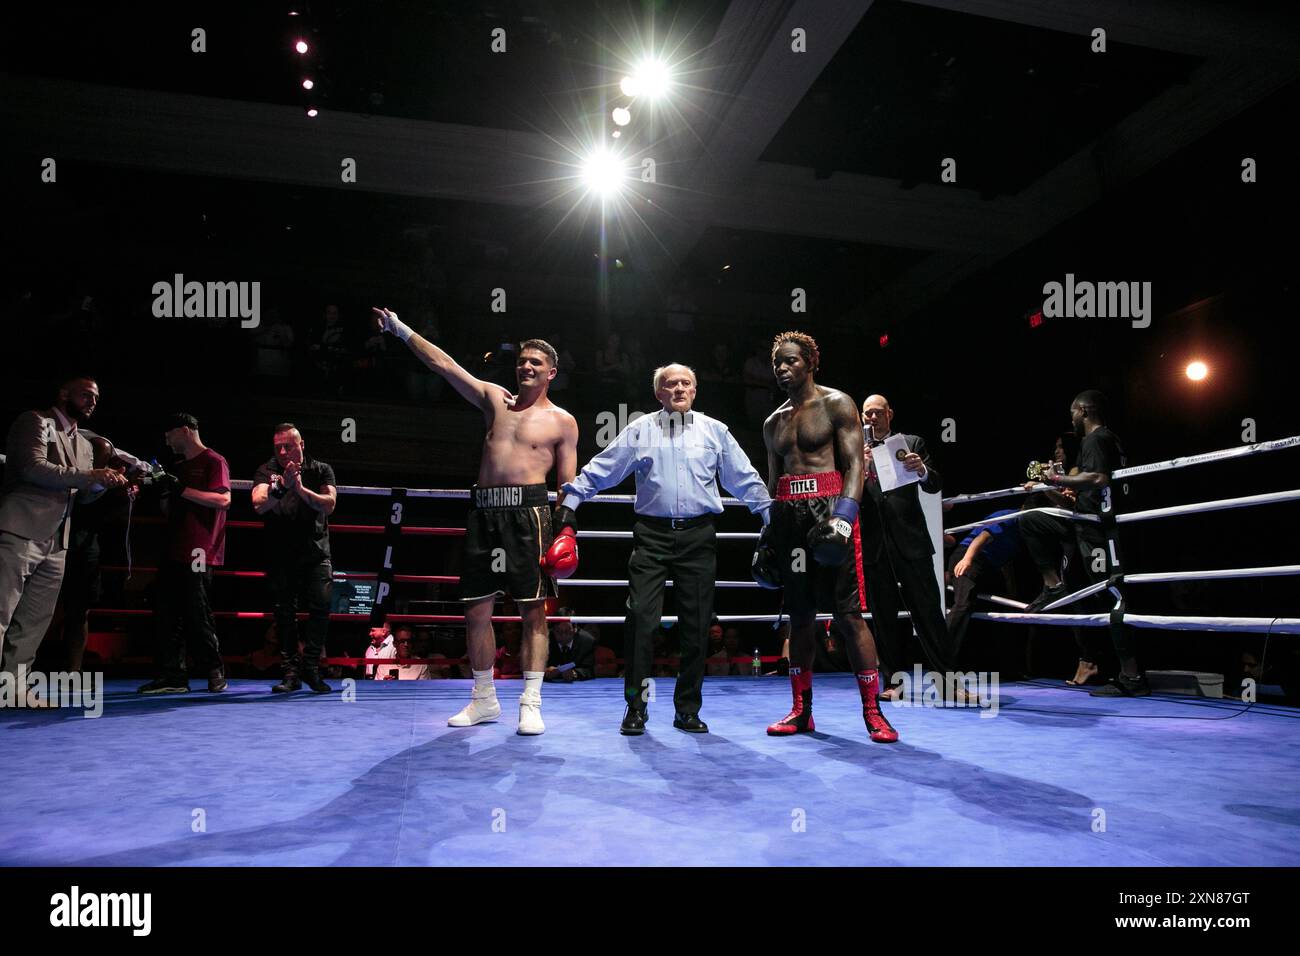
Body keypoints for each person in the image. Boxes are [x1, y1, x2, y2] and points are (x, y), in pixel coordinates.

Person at [372, 306, 579, 734]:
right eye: (522, 360)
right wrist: (399, 327)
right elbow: (444, 365)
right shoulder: (494, 400)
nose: (525, 366)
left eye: (535, 363)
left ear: (551, 373)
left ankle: (531, 702)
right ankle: (484, 699)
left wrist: (568, 528)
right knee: (475, 610)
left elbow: (569, 483)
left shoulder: (563, 421)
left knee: (532, 612)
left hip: (530, 514)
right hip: (485, 511)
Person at [560, 363, 771, 735]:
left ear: (695, 390)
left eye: (685, 383)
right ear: (658, 393)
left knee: (698, 624)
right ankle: (635, 708)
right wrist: (571, 502)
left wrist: (768, 514)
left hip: (699, 535)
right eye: (670, 384)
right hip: (652, 535)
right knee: (640, 618)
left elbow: (743, 477)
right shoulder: (641, 429)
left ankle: (687, 710)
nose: (678, 389)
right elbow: (604, 467)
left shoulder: (714, 430)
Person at [753, 332, 897, 742]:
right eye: (778, 363)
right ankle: (801, 712)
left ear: (811, 362)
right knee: (799, 618)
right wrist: (767, 535)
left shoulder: (838, 404)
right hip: (788, 518)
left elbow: (854, 466)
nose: (783, 369)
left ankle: (874, 713)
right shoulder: (772, 422)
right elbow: (773, 480)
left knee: (848, 615)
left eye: (792, 361)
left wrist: (845, 517)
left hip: (830, 508)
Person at [0, 376, 127, 705]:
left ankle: (14, 690)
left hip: (58, 540)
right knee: (1, 614)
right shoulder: (35, 422)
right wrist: (90, 476)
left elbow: (80, 497)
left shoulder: (86, 444)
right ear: (63, 394)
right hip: (19, 530)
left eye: (96, 398)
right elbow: (32, 468)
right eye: (86, 394)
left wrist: (103, 485)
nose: (92, 401)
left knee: (34, 622)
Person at [1019, 390, 1145, 696]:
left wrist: (1057, 479)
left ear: (1084, 411)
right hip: (1083, 524)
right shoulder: (1106, 439)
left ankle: (1132, 676)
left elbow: (1099, 478)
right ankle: (1052, 586)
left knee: (1110, 596)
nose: (1072, 420)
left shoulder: (1096, 439)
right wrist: (1052, 486)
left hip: (1098, 530)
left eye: (1073, 414)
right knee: (1030, 518)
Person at [859, 394, 957, 698]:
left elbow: (935, 484)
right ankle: (893, 684)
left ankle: (948, 683)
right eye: (867, 414)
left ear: (890, 413)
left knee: (928, 612)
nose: (872, 419)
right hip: (876, 545)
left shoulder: (912, 443)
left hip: (911, 541)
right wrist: (858, 471)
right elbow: (844, 495)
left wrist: (921, 470)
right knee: (884, 617)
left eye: (877, 413)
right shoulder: (852, 450)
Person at [137, 413, 232, 695]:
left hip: (200, 550)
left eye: (169, 434)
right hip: (173, 547)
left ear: (184, 430)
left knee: (197, 613)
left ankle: (215, 672)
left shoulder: (214, 461)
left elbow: (223, 500)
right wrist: (157, 488)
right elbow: (172, 506)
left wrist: (181, 488)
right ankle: (173, 676)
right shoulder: (177, 465)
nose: (166, 440)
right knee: (166, 613)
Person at [251, 423, 338, 694]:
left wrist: (298, 488)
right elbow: (258, 504)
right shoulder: (267, 470)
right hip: (282, 553)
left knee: (321, 607)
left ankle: (311, 668)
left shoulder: (321, 469)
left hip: (316, 552)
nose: (283, 451)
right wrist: (281, 489)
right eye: (278, 447)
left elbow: (329, 504)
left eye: (288, 445)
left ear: (301, 445)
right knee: (284, 612)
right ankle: (290, 672)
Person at [945, 506, 1022, 661]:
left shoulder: (1024, 532)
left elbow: (1006, 562)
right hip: (971, 556)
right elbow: (983, 537)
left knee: (1005, 611)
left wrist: (1011, 591)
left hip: (989, 567)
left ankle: (1007, 665)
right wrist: (967, 560)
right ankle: (941, 657)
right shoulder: (1012, 515)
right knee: (964, 603)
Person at [545, 610, 595, 682]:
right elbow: (533, 669)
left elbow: (589, 670)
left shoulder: (587, 641)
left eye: (567, 631)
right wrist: (545, 672)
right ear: (552, 630)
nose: (563, 636)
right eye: (558, 631)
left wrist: (575, 673)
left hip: (578, 687)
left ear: (575, 629)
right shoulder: (544, 640)